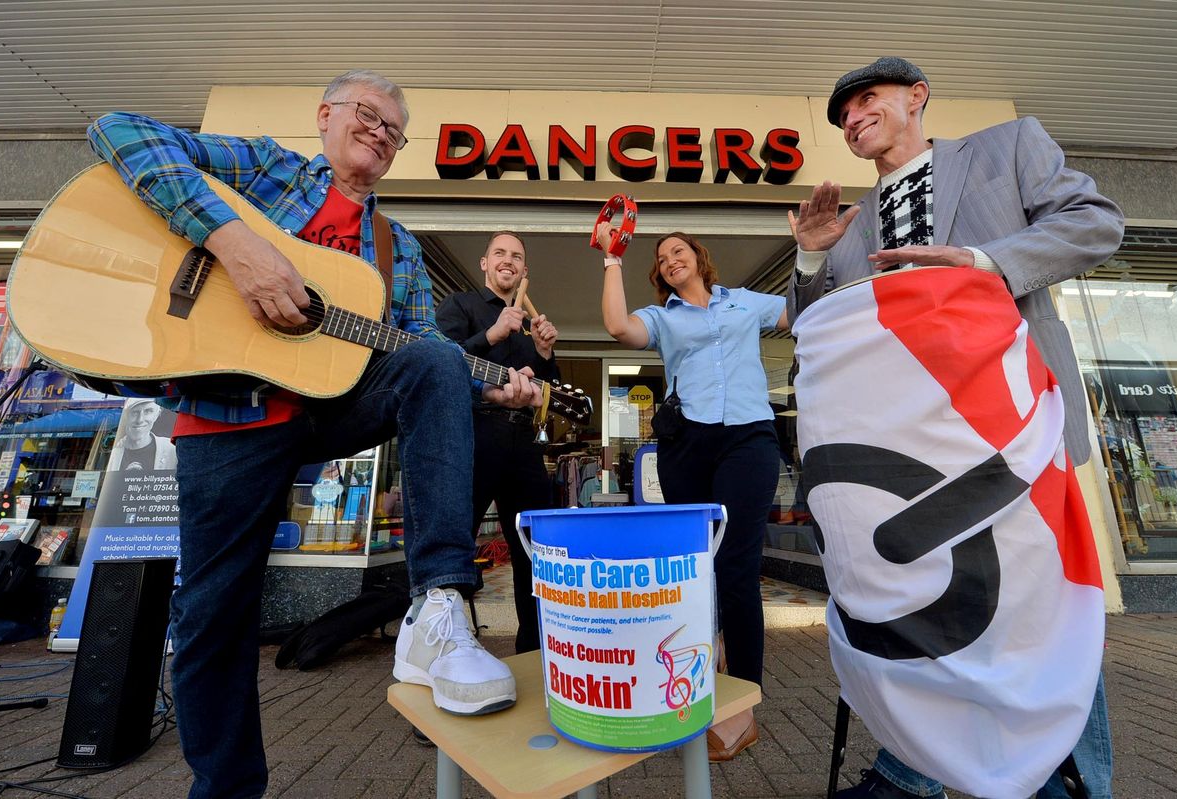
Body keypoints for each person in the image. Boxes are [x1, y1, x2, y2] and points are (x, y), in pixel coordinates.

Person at [87, 70, 538, 799]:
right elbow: (117, 130)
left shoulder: (398, 246)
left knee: (435, 363)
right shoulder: (269, 169)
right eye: (369, 115)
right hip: (229, 413)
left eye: (394, 131)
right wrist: (236, 244)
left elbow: (420, 351)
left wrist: (486, 382)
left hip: (329, 410)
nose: (380, 134)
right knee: (212, 616)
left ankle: (439, 605)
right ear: (325, 115)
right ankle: (227, 789)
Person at [788, 56, 1124, 799]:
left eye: (865, 99)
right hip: (909, 448)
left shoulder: (1007, 147)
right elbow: (809, 324)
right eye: (842, 114)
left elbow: (1095, 224)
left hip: (1012, 429)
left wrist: (980, 263)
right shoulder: (851, 224)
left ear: (917, 97)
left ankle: (1074, 785)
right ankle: (912, 773)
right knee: (923, 613)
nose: (852, 117)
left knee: (1043, 608)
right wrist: (811, 257)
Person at [597, 223, 789, 761]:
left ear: (699, 258)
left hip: (748, 436)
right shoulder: (663, 318)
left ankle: (743, 703)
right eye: (661, 259)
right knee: (696, 567)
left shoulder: (744, 302)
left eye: (678, 250)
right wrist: (612, 259)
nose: (670, 260)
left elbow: (802, 310)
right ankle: (706, 660)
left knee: (737, 567)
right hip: (688, 445)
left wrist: (812, 256)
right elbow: (617, 326)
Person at [436, 230, 559, 653]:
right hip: (471, 437)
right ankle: (445, 649)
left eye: (517, 256)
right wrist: (491, 335)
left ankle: (535, 652)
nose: (509, 260)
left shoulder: (529, 326)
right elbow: (438, 363)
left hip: (523, 444)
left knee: (536, 551)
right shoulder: (460, 305)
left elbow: (549, 394)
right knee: (455, 541)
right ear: (485, 263)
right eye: (500, 253)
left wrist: (543, 354)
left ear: (525, 270)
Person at [106, 398, 177, 471]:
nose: (140, 420)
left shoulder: (172, 449)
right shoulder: (112, 451)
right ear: (126, 416)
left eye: (148, 411)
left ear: (157, 414)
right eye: (135, 412)